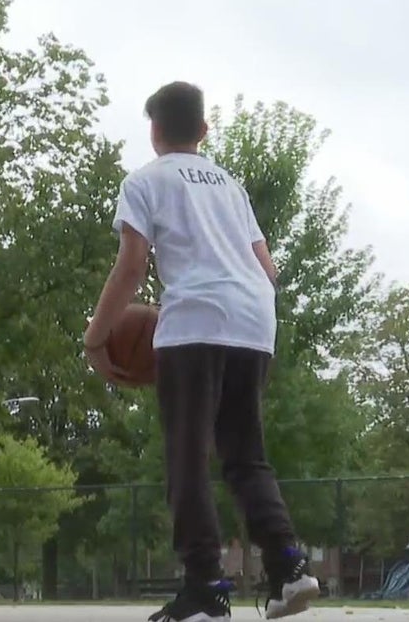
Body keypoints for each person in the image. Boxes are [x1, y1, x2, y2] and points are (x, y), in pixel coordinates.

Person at [82, 81, 321, 621]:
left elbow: (132, 266)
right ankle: (289, 566)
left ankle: (205, 588)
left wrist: (97, 337)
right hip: (255, 320)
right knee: (245, 455)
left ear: (154, 131)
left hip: (195, 323)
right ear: (204, 130)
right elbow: (268, 269)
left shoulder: (146, 181)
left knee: (187, 458)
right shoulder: (232, 188)